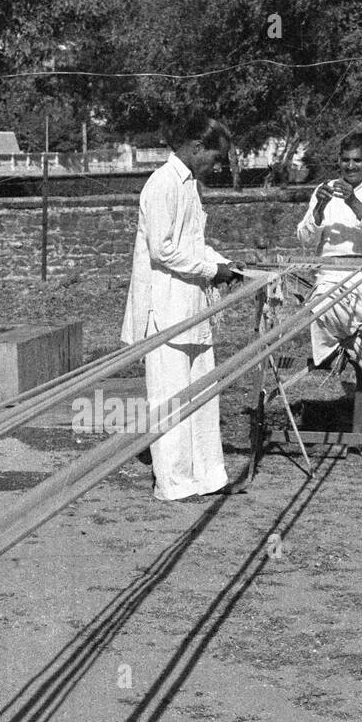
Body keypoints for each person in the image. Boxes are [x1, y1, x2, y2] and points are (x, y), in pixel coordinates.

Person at [121, 113, 242, 500]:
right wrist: (211, 269)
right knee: (170, 398)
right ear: (195, 147)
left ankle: (207, 476)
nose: (217, 166)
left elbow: (193, 244)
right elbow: (163, 250)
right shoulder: (162, 184)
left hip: (193, 306)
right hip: (165, 307)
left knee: (203, 393)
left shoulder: (190, 186)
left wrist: (225, 265)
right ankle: (172, 482)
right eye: (215, 157)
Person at [295, 134, 362, 460]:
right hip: (332, 278)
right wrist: (321, 208)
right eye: (345, 160)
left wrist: (354, 202)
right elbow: (304, 239)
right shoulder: (323, 190)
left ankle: (356, 436)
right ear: (339, 159)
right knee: (327, 313)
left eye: (357, 160)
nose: (350, 166)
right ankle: (342, 352)